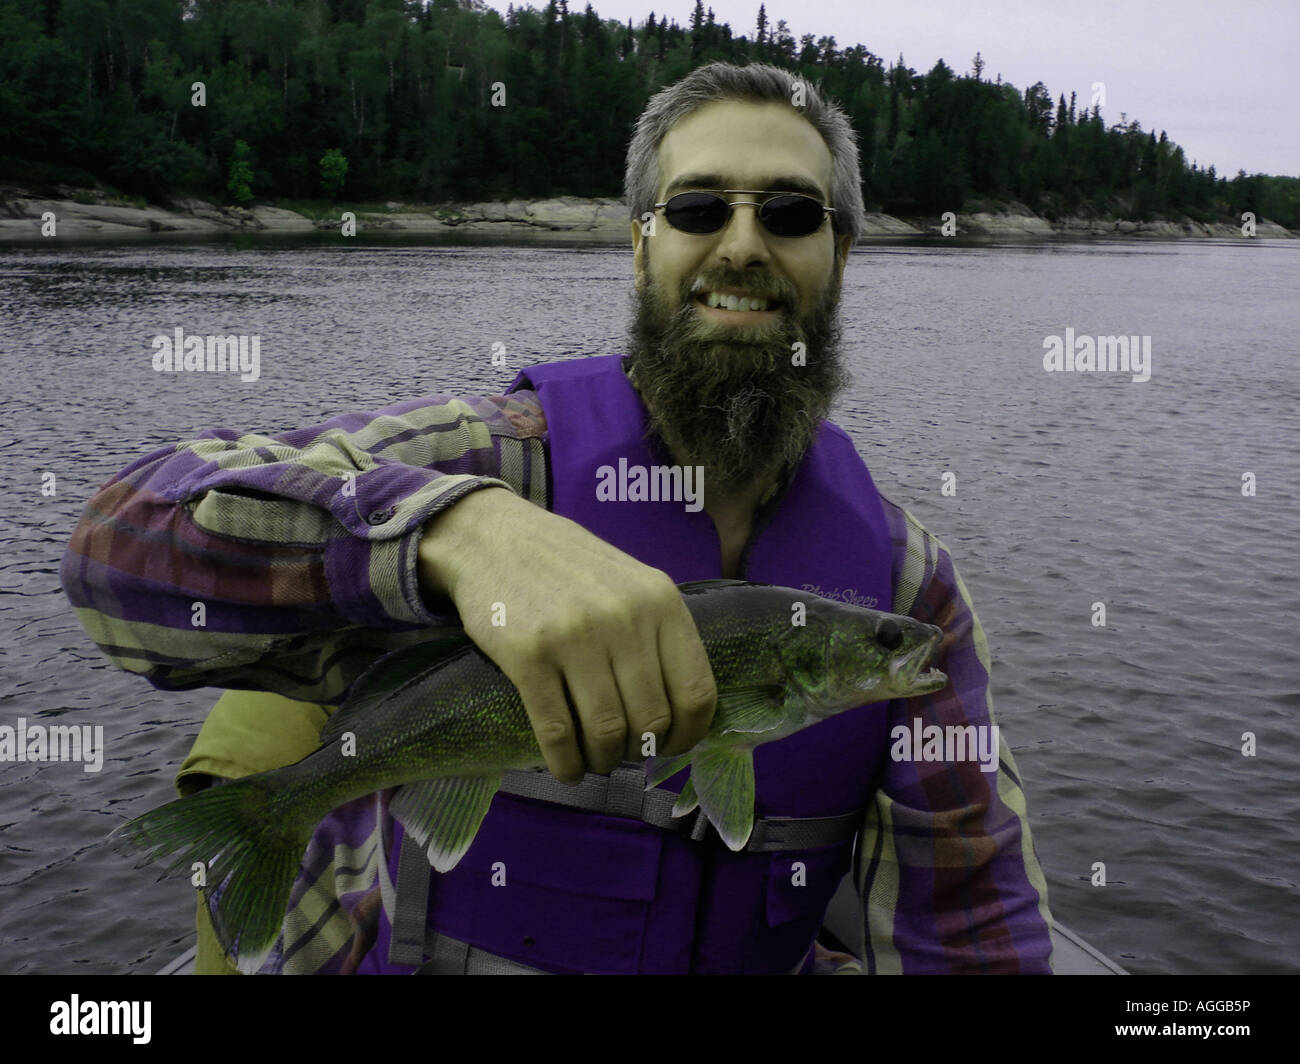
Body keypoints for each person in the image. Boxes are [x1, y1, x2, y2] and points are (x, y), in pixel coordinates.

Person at [62, 61, 1054, 974]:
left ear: (838, 251)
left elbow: (969, 928)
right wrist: (454, 534)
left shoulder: (907, 584)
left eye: (792, 212)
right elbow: (114, 553)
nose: (743, 243)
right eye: (699, 206)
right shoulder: (485, 456)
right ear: (639, 246)